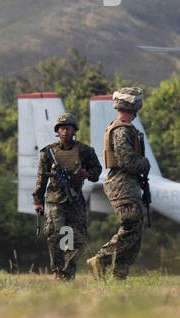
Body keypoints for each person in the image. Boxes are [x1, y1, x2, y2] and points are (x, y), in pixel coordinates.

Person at [87, 87, 149, 279]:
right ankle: (101, 259)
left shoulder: (124, 128)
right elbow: (127, 161)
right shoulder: (121, 130)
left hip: (127, 185)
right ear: (134, 105)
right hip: (123, 185)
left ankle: (119, 273)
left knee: (135, 230)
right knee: (131, 226)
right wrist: (144, 164)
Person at [31, 112, 101, 280]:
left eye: (68, 128)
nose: (65, 131)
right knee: (55, 234)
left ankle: (67, 272)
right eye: (61, 128)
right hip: (55, 199)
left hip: (75, 199)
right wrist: (38, 200)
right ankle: (57, 270)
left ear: (74, 130)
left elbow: (96, 172)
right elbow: (41, 178)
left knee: (74, 237)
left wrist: (86, 174)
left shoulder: (85, 151)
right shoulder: (48, 152)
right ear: (57, 130)